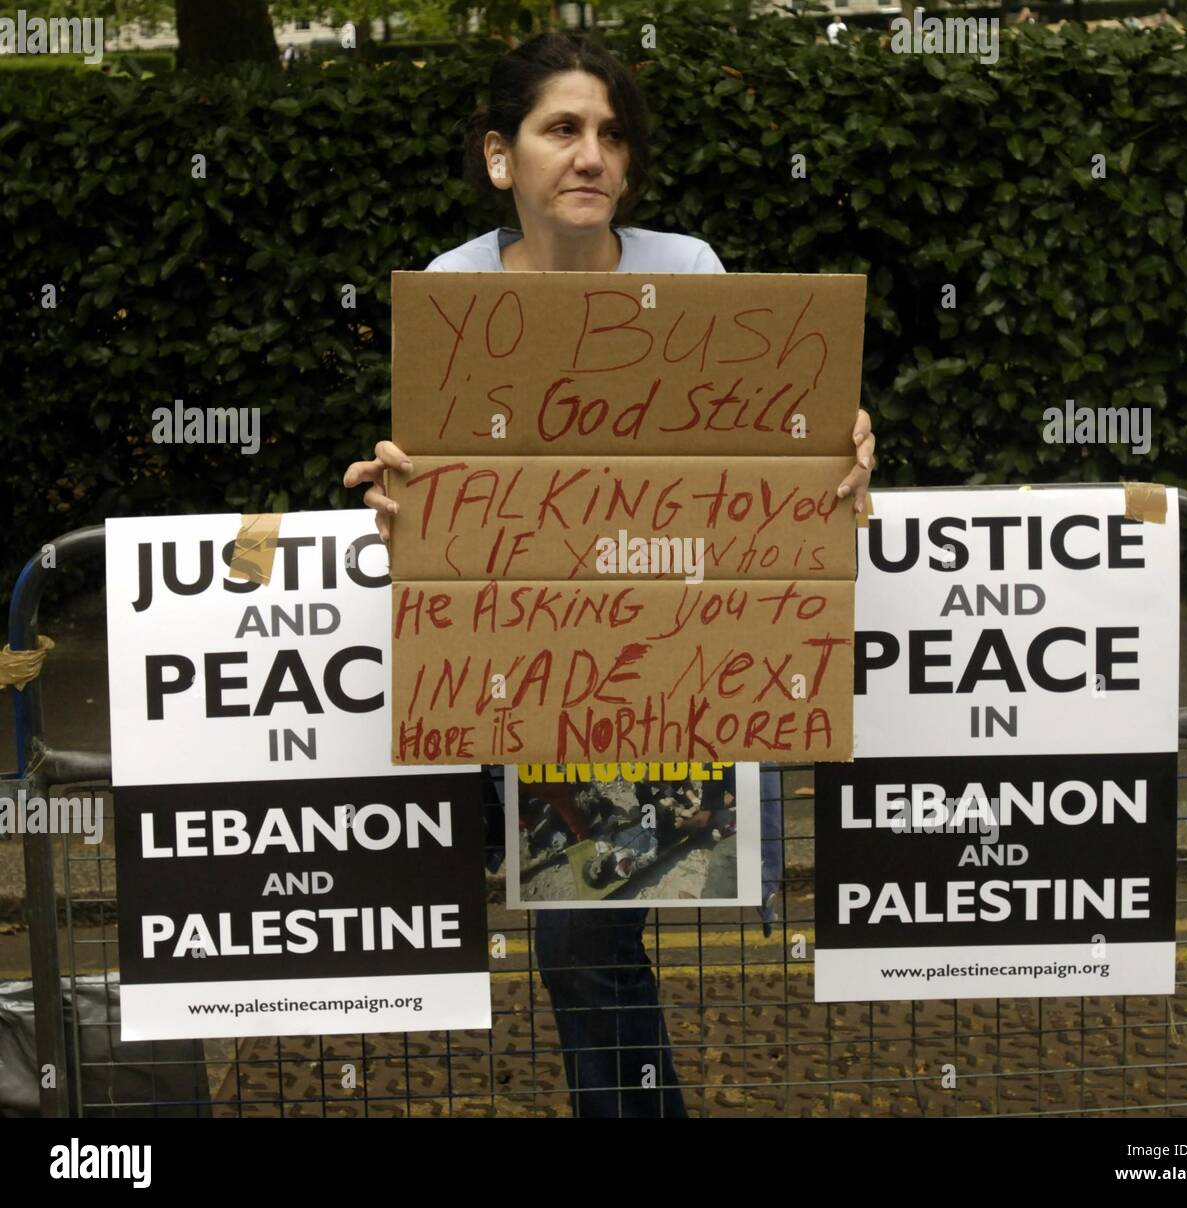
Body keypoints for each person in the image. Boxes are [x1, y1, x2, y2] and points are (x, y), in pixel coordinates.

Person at [343, 31, 877, 1118]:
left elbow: (759, 454)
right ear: (502, 158)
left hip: (654, 665)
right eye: (562, 130)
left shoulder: (689, 273)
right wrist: (391, 493)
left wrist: (835, 444)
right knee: (568, 935)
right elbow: (446, 495)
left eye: (611, 135)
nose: (591, 155)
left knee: (582, 936)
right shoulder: (452, 288)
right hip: (518, 668)